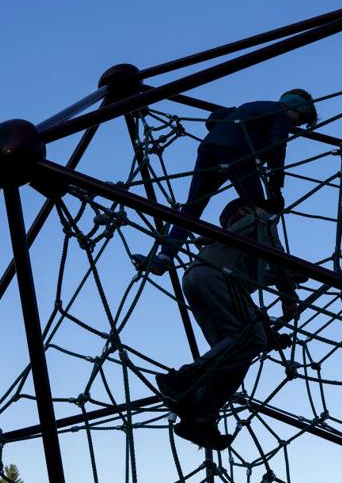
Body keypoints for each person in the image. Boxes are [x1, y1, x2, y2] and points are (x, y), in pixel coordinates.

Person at [155, 199, 299, 449]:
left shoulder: (229, 242)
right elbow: (275, 253)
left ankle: (201, 416)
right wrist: (288, 295)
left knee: (235, 353)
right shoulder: (259, 217)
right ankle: (184, 378)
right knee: (249, 340)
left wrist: (269, 335)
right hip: (218, 275)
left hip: (194, 279)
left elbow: (242, 300)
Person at [136, 90, 317, 276]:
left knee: (193, 206)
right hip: (239, 153)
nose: (296, 124)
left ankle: (164, 257)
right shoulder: (281, 113)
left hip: (209, 148)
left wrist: (227, 131)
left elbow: (214, 118)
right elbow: (277, 147)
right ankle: (271, 265)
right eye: (299, 120)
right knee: (261, 210)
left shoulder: (251, 104)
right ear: (296, 108)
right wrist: (276, 187)